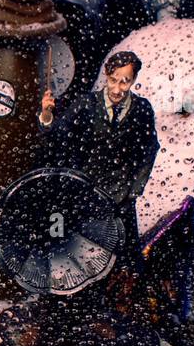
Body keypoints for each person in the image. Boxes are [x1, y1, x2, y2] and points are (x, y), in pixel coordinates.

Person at [37, 50, 160, 273]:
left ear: (133, 80)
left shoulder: (141, 109)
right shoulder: (87, 104)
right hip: (87, 195)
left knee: (126, 260)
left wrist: (134, 189)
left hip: (121, 198)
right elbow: (57, 135)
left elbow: (149, 150)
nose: (117, 89)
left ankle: (123, 299)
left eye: (125, 82)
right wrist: (47, 115)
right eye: (113, 80)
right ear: (106, 74)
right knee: (82, 255)